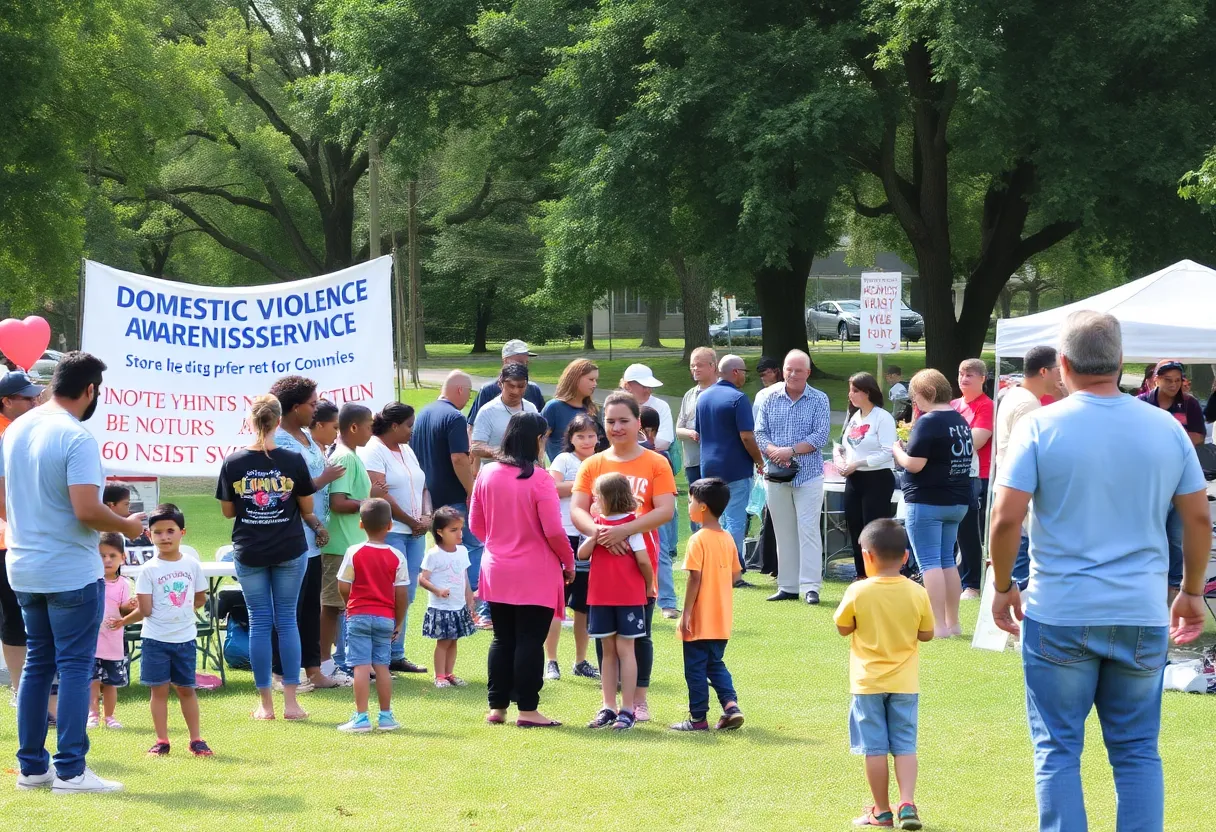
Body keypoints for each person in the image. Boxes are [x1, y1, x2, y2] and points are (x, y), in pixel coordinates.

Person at [988, 310, 1210, 832]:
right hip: (1139, 609)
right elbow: (1198, 516)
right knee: (1136, 753)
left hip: (1060, 608)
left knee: (1058, 750)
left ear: (1062, 365)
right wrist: (1193, 591)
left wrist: (1001, 587)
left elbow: (1004, 518)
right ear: (1123, 364)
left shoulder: (1041, 425)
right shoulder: (1166, 428)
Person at [1, 351, 143, 794]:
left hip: (24, 565)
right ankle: (71, 770)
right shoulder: (77, 436)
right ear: (90, 391)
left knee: (37, 666)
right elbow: (87, 510)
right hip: (69, 571)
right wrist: (127, 525)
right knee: (77, 667)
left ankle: (32, 768)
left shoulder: (17, 428)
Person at [571, 392, 677, 723]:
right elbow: (577, 509)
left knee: (638, 636)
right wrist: (601, 533)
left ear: (638, 424)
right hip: (603, 566)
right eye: (610, 421)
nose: (616, 428)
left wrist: (625, 530)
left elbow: (665, 511)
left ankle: (638, 701)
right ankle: (609, 703)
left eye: (623, 421)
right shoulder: (592, 464)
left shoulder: (656, 462)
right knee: (605, 639)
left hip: (637, 565)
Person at [216, 394, 320, 721]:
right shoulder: (293, 461)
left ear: (250, 421)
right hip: (290, 548)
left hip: (250, 550)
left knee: (260, 622)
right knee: (287, 620)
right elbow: (307, 508)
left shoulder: (233, 462)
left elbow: (227, 511)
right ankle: (291, 703)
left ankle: (265, 704)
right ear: (278, 422)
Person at [469, 412, 574, 728]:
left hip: (497, 566)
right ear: (537, 440)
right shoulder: (540, 478)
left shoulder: (487, 474)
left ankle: (497, 706)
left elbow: (476, 524)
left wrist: (498, 541)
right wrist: (568, 562)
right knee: (530, 639)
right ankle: (528, 709)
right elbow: (555, 531)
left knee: (503, 638)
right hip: (535, 570)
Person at [833, 519, 933, 830]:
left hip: (867, 683)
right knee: (905, 745)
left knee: (873, 748)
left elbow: (842, 626)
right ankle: (906, 802)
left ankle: (881, 810)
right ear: (906, 556)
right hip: (904, 682)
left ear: (867, 555)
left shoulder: (858, 590)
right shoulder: (917, 592)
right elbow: (927, 633)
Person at [113, 504, 211, 756]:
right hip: (155, 640)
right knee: (159, 691)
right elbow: (145, 610)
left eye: (170, 530)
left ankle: (196, 739)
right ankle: (162, 740)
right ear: (149, 535)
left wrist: (185, 612)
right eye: (158, 532)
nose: (165, 537)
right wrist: (124, 621)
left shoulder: (192, 564)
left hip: (185, 639)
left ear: (183, 532)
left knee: (187, 690)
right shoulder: (148, 570)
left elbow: (200, 597)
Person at [269, 376, 345, 689]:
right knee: (290, 608)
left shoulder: (304, 436)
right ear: (295, 407)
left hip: (313, 536)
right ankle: (280, 673)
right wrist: (324, 479)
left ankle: (314, 670)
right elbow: (288, 489)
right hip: (291, 534)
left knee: (311, 606)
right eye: (312, 404)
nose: (316, 410)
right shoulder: (279, 441)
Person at [892, 370, 971, 639]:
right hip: (956, 500)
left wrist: (897, 451)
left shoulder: (929, 422)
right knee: (947, 560)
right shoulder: (959, 419)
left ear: (928, 394)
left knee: (929, 563)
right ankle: (953, 623)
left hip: (927, 500)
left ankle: (938, 626)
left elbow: (915, 464)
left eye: (915, 395)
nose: (914, 401)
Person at [410, 371, 487, 628]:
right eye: (467, 393)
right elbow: (459, 458)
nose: (467, 399)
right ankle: (479, 605)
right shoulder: (454, 417)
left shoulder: (422, 414)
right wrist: (471, 490)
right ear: (460, 391)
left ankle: (453, 604)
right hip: (455, 498)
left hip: (430, 499)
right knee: (474, 546)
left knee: (446, 554)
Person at [755, 350, 831, 605]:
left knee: (808, 529)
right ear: (782, 370)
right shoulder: (769, 398)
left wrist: (791, 450)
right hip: (776, 475)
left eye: (798, 370)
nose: (793, 374)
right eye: (789, 369)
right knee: (783, 530)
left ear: (808, 373)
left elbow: (821, 436)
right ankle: (787, 585)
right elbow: (759, 432)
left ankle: (811, 586)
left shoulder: (819, 399)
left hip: (808, 475)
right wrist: (774, 452)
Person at [670, 477, 745, 732]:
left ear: (702, 507)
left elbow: (695, 577)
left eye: (690, 501)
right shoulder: (727, 539)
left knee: (695, 670)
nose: (688, 505)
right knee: (715, 664)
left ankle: (698, 719)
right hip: (721, 618)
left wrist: (686, 613)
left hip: (699, 619)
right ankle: (731, 705)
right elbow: (736, 576)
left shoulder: (697, 539)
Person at [360, 403, 430, 674]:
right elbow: (380, 494)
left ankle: (395, 654)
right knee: (388, 593)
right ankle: (380, 657)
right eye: (409, 425)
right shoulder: (374, 451)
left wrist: (426, 515)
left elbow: (423, 485)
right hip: (392, 531)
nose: (412, 431)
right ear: (393, 426)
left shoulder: (407, 449)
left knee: (407, 593)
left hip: (415, 532)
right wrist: (410, 521)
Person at [581, 473, 654, 731]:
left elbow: (644, 560)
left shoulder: (631, 524)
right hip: (600, 597)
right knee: (609, 651)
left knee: (624, 650)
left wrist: (648, 585)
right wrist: (595, 535)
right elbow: (582, 554)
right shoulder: (597, 525)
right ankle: (608, 706)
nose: (594, 501)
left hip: (627, 597)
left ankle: (627, 709)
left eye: (597, 497)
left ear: (606, 499)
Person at [335, 498, 409, 733]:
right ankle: (386, 716)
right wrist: (398, 621)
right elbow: (401, 595)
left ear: (360, 524)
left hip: (358, 615)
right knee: (382, 666)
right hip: (385, 617)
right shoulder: (397, 556)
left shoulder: (353, 552)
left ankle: (361, 717)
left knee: (360, 666)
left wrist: (350, 605)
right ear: (390, 525)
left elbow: (343, 584)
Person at [992, 345, 1059, 594]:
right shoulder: (1027, 405)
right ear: (1043, 371)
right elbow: (1028, 456)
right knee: (1025, 580)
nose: (1061, 376)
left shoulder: (1018, 396)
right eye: (1057, 370)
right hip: (1021, 497)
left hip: (1015, 493)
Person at [319, 404, 380, 677]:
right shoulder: (345, 457)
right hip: (339, 546)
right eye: (369, 426)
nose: (371, 431)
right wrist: (368, 503)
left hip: (350, 546)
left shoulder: (351, 456)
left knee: (345, 608)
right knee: (331, 607)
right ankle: (324, 663)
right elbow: (338, 502)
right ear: (353, 427)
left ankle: (351, 662)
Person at [1139, 359, 1206, 601]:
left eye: (1177, 381)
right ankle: (1149, 578)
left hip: (1180, 479)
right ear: (1155, 380)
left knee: (1175, 536)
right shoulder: (1142, 404)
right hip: (1150, 480)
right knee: (1150, 532)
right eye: (1168, 380)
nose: (1173, 385)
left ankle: (1173, 584)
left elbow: (1199, 436)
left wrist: (1169, 434)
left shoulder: (1189, 404)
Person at [544, 414, 603, 681]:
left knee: (583, 605)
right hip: (565, 534)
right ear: (571, 438)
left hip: (591, 536)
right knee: (557, 601)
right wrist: (584, 486)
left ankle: (581, 660)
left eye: (591, 436)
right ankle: (551, 660)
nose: (587, 441)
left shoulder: (602, 461)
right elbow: (552, 488)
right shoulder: (564, 460)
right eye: (581, 436)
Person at [697, 354, 764, 583]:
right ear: (735, 372)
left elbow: (699, 433)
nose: (745, 376)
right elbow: (747, 436)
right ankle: (733, 570)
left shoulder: (703, 397)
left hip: (708, 468)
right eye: (744, 371)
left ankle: (715, 565)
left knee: (719, 520)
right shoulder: (738, 399)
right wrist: (759, 460)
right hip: (734, 468)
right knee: (735, 519)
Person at [0, 369, 43, 703]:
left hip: (18, 536)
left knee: (17, 615)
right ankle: (19, 689)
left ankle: (22, 689)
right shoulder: (4, 435)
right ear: (7, 402)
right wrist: (22, 527)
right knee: (15, 615)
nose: (35, 401)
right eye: (27, 397)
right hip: (9, 538)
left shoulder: (26, 430)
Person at [837, 372, 897, 582]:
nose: (850, 395)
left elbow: (888, 451)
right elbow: (845, 445)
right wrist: (841, 460)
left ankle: (879, 572)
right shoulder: (855, 417)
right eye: (850, 390)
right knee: (854, 526)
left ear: (867, 392)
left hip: (877, 479)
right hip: (854, 479)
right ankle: (861, 573)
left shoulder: (882, 417)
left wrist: (858, 464)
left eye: (855, 390)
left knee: (874, 529)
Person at [419, 506, 476, 688]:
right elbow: (422, 578)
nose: (459, 534)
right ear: (440, 532)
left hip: (458, 605)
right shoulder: (434, 554)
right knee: (443, 642)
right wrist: (437, 590)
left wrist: (469, 599)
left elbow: (464, 577)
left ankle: (449, 673)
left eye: (461, 529)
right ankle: (440, 676)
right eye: (453, 530)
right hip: (442, 607)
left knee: (454, 641)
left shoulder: (462, 551)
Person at [951, 358, 994, 598]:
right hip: (955, 475)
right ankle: (958, 578)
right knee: (956, 531)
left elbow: (977, 440)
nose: (963, 379)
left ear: (982, 379)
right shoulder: (954, 405)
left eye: (970, 375)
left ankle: (973, 584)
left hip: (980, 476)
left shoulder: (986, 406)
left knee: (971, 533)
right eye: (961, 373)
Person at [89, 533, 135, 730]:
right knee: (92, 681)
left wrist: (130, 606)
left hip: (114, 643)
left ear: (122, 558)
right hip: (92, 642)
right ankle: (92, 715)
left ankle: (110, 716)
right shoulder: (90, 581)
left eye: (112, 556)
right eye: (102, 555)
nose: (107, 560)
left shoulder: (124, 584)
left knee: (111, 683)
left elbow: (124, 611)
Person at [640, 406, 682, 615]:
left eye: (648, 432)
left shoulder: (660, 458)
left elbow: (669, 497)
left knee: (662, 551)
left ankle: (667, 601)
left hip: (656, 512)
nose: (646, 438)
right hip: (633, 513)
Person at [676, 346, 718, 533]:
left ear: (713, 366)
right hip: (693, 461)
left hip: (716, 462)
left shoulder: (721, 392)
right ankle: (697, 546)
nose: (695, 369)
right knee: (695, 504)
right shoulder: (689, 395)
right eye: (692, 366)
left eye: (700, 365)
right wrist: (691, 434)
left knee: (714, 505)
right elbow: (678, 430)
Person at [471, 363, 540, 468]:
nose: (516, 391)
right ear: (500, 383)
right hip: (496, 474)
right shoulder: (487, 411)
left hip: (527, 474)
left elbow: (539, 440)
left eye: (521, 386)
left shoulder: (531, 409)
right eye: (511, 386)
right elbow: (476, 447)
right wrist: (500, 453)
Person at [466, 340, 547, 427]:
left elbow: (542, 425)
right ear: (505, 361)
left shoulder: (533, 390)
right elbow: (473, 427)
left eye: (526, 363)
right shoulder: (488, 390)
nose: (523, 367)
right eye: (520, 362)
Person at [542, 359, 602, 462]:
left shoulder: (592, 409)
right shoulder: (554, 407)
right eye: (591, 379)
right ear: (576, 379)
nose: (595, 384)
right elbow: (540, 441)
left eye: (596, 380)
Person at [620, 363, 673, 450]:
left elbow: (664, 442)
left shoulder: (661, 406)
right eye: (644, 386)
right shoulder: (616, 407)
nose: (649, 390)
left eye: (650, 386)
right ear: (627, 386)